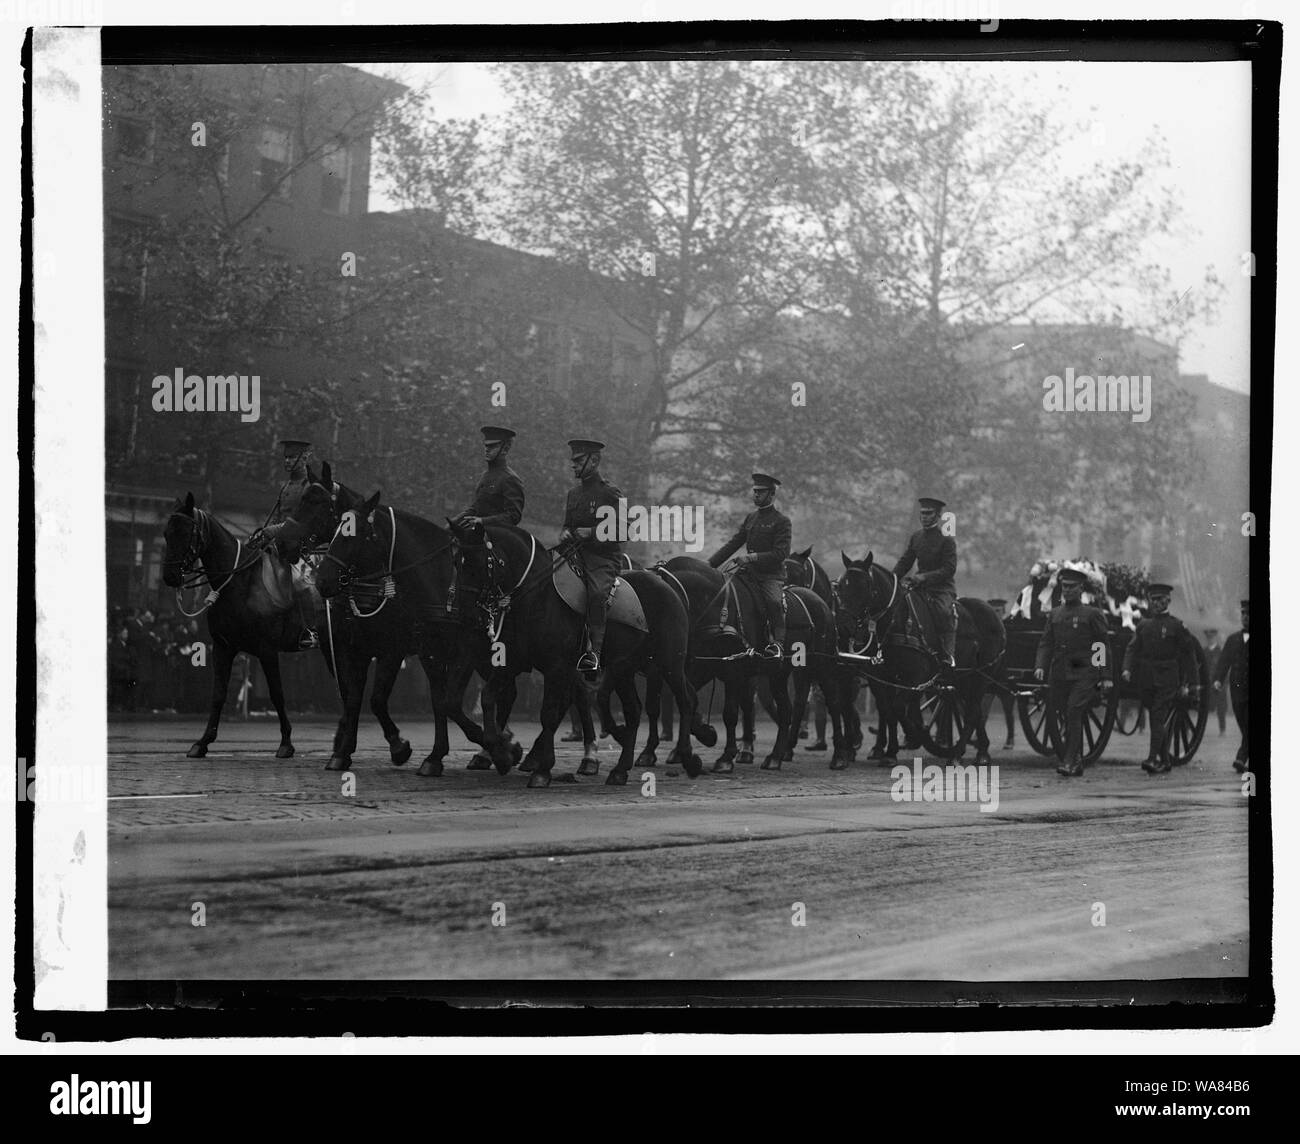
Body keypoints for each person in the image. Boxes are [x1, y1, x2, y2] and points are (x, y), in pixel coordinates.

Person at [1034, 568, 1110, 776]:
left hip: (1084, 673)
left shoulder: (1092, 614)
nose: (1067, 590)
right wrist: (1040, 666)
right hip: (1059, 673)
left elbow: (1101, 645)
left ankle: (1068, 761)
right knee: (1066, 714)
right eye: (1064, 586)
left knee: (1074, 711)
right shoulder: (1055, 614)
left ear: (1080, 589)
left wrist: (1104, 676)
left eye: (1071, 587)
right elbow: (1046, 643)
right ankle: (1075, 760)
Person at [708, 473, 791, 658]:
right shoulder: (751, 518)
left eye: (761, 492)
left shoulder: (782, 521)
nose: (756, 495)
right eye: (755, 491)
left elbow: (781, 553)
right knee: (726, 591)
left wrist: (751, 558)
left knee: (774, 602)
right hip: (749, 574)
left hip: (770, 576)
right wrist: (710, 564)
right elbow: (734, 543)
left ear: (771, 494)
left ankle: (778, 643)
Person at [559, 438, 624, 676]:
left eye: (578, 460)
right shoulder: (573, 494)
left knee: (596, 594)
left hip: (602, 559)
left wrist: (592, 532)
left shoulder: (610, 492)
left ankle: (593, 653)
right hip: (574, 555)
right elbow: (567, 525)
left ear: (594, 461)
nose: (573, 465)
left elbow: (624, 530)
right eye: (573, 460)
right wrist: (565, 533)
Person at [1121, 575, 1199, 774]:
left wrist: (1193, 684)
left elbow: (1189, 655)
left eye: (1160, 600)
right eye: (1153, 600)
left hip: (1168, 679)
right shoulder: (1144, 625)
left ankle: (1152, 758)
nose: (1156, 603)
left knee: (1157, 716)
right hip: (1147, 679)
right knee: (1156, 718)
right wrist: (1127, 668)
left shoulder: (1177, 626)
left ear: (1168, 601)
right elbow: (1132, 648)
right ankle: (1165, 760)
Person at [252, 438, 319, 650]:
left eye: (292, 457)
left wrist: (273, 530)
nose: (287, 461)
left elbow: (302, 521)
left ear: (304, 458)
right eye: (286, 457)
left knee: (300, 582)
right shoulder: (287, 486)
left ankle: (312, 631)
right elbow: (277, 516)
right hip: (282, 545)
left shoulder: (311, 487)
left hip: (304, 548)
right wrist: (264, 534)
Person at [893, 496, 957, 668]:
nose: (924, 517)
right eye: (922, 513)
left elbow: (949, 569)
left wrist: (924, 577)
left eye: (929, 513)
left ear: (938, 515)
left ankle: (948, 654)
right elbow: (905, 562)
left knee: (943, 612)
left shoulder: (946, 539)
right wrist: (892, 578)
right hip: (919, 587)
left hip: (941, 589)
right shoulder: (916, 537)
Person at [452, 425, 525, 530]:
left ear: (505, 449)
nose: (487, 449)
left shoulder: (509, 479)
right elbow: (476, 508)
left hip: (498, 535)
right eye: (486, 446)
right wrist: (455, 521)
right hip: (479, 531)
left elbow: (513, 516)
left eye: (492, 446)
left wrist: (482, 521)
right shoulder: (485, 476)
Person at [1213, 599, 1250, 773]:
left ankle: (1241, 757)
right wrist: (1218, 679)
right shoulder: (1233, 639)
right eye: (1243, 613)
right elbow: (1223, 662)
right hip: (1237, 689)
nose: (1245, 617)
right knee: (1243, 722)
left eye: (1249, 613)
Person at [1203, 628, 1227, 735]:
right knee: (1203, 707)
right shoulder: (1203, 652)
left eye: (1212, 638)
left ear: (1215, 638)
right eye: (1208, 638)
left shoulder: (1221, 652)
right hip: (1206, 684)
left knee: (1221, 708)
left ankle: (1222, 730)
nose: (1210, 640)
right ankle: (1199, 730)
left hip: (1218, 684)